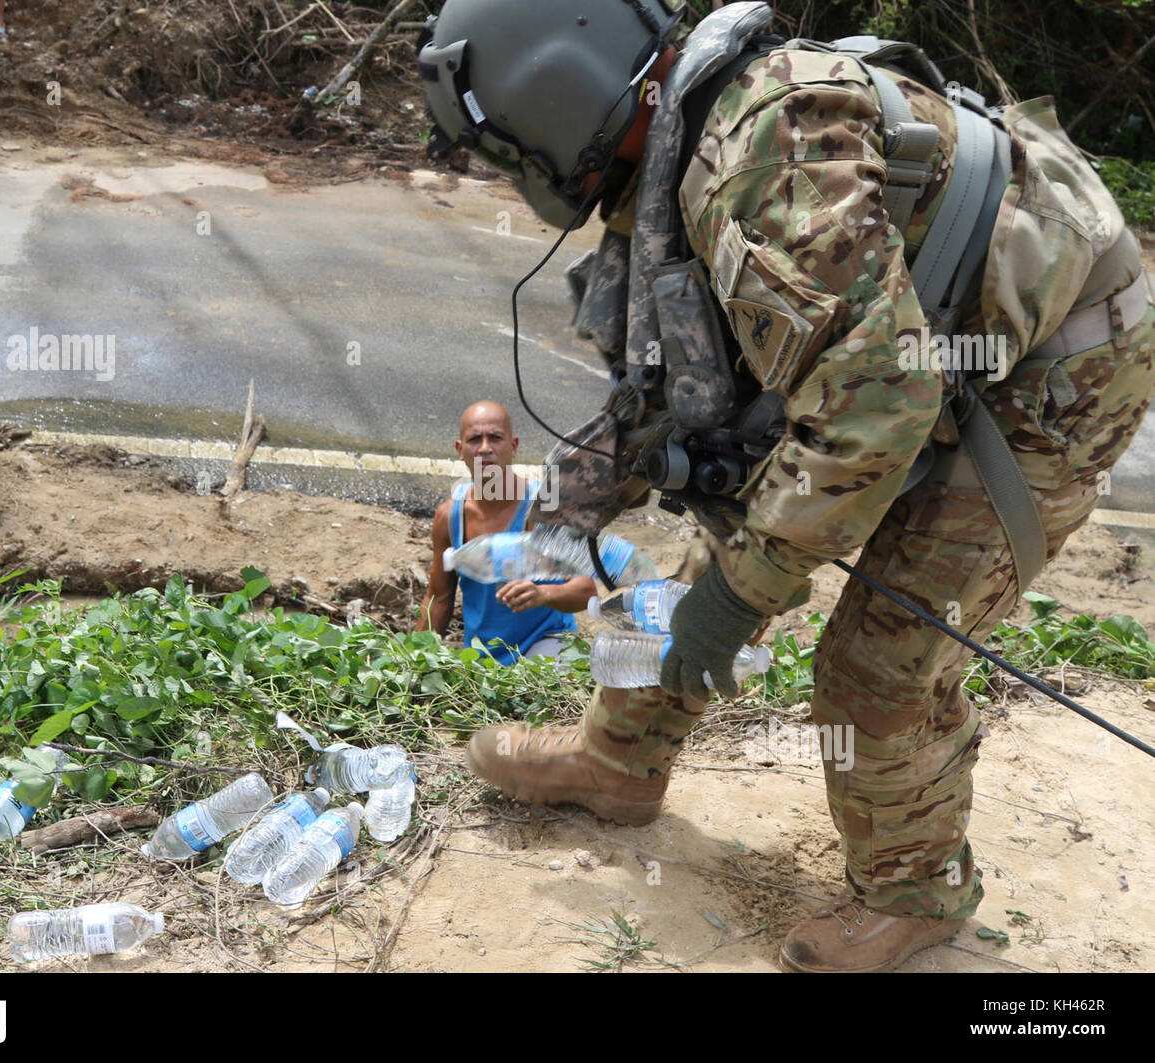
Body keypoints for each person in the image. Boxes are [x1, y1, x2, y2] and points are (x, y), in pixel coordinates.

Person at [419, 1, 1155, 972]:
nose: (507, 179)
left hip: (1058, 362)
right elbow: (675, 389)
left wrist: (737, 598)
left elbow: (876, 411)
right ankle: (620, 761)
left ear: (552, 100)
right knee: (725, 535)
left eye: (503, 153)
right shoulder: (678, 146)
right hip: (922, 343)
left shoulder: (762, 162)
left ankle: (913, 892)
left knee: (878, 657)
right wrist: (570, 506)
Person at [416, 400, 596, 664]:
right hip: (484, 659)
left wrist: (543, 594)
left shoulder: (544, 509)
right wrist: (415, 659)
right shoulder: (450, 517)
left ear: (513, 447)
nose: (485, 448)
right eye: (475, 439)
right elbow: (439, 598)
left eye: (496, 438)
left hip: (545, 644)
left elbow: (586, 590)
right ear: (460, 450)